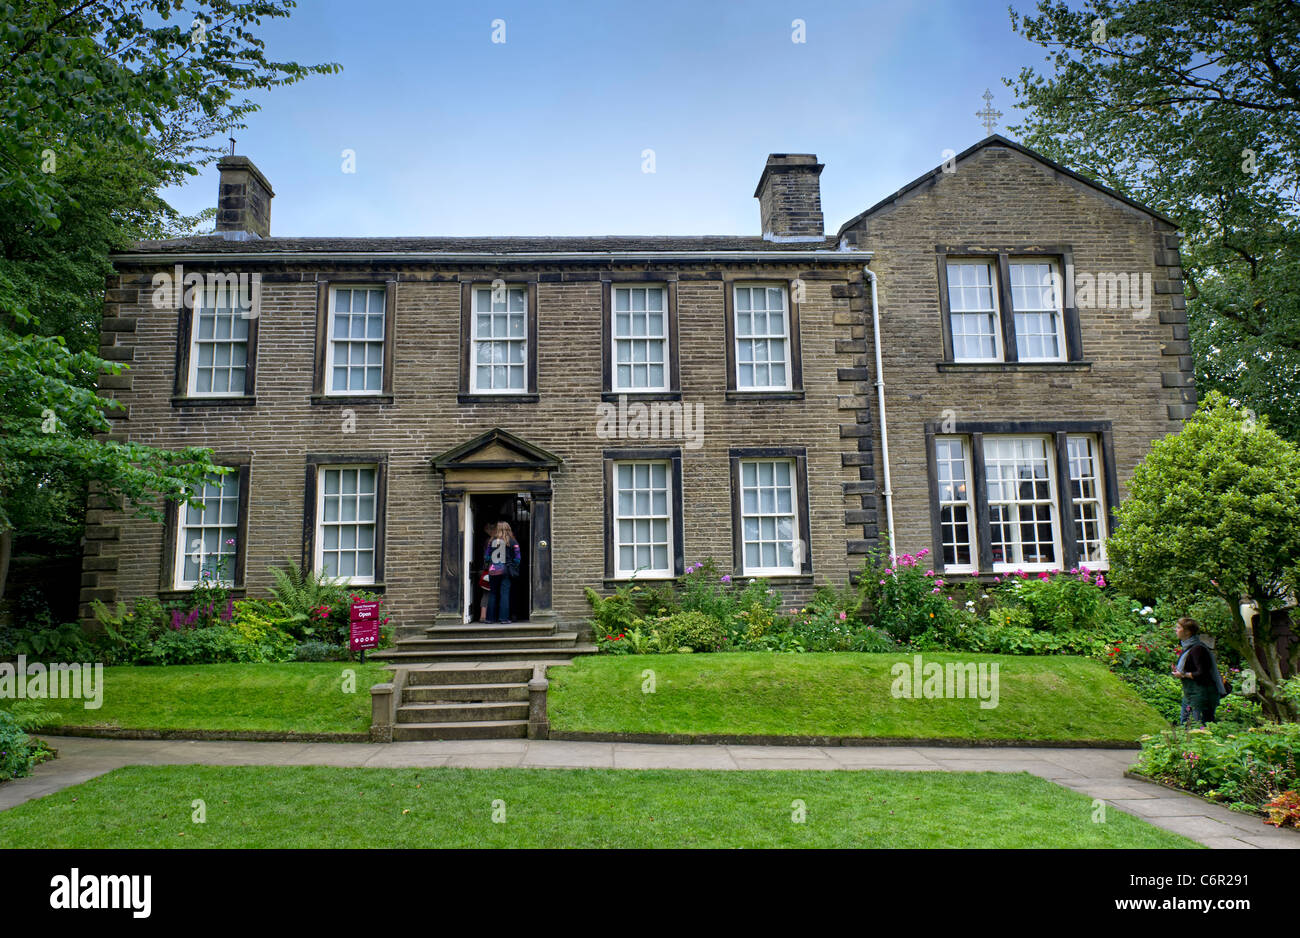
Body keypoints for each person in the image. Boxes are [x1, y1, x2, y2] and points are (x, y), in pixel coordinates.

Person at [1172, 616, 1227, 726]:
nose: (1175, 630)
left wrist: (1183, 675)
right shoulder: (1188, 647)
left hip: (1202, 695)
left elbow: (1202, 673)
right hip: (1191, 693)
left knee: (1198, 726)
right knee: (1186, 724)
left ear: (1187, 632)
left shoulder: (1198, 649)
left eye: (1178, 628)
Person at [484, 521, 522, 624]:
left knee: (492, 593)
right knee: (504, 594)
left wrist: (489, 565)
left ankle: (489, 619)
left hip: (493, 569)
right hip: (506, 570)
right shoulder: (513, 541)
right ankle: (503, 619)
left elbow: (486, 557)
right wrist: (513, 567)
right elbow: (518, 558)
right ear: (508, 529)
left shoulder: (491, 541)